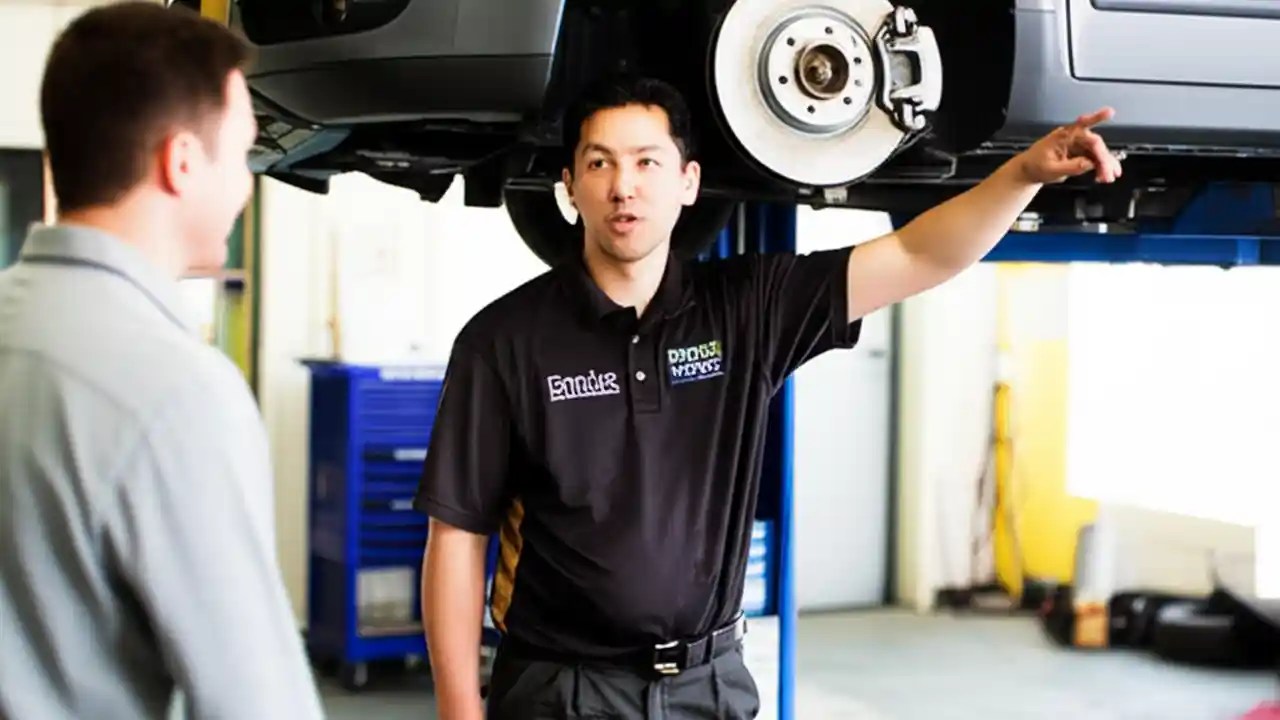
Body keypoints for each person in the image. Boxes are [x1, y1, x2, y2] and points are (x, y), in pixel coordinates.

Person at [414, 74, 1121, 719]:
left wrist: (1023, 175)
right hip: (562, 692)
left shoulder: (746, 309)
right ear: (570, 185)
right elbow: (456, 534)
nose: (623, 186)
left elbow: (917, 255)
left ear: (688, 182)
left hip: (708, 685)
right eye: (600, 163)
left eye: (646, 162)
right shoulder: (503, 341)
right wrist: (458, 708)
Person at [0, 4, 324, 719]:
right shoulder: (177, 392)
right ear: (180, 162)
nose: (247, 182)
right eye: (240, 155)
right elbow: (257, 704)